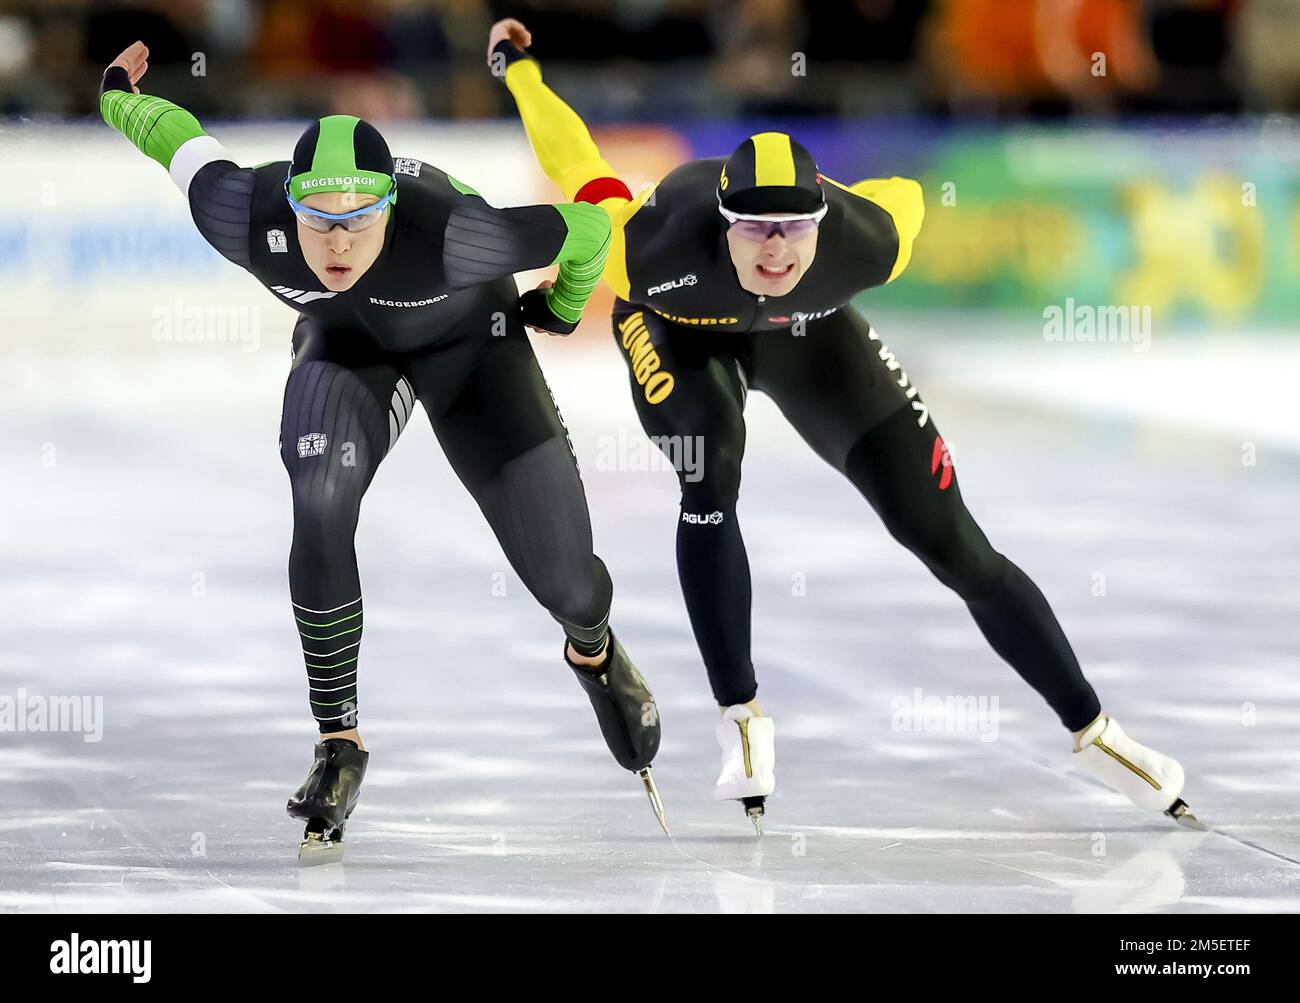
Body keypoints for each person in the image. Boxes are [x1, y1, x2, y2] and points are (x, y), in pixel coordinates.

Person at [484, 19, 1199, 834]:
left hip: (810, 337)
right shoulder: (647, 248)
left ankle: (1095, 730)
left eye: (794, 225)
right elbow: (577, 160)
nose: (777, 247)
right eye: (754, 226)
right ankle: (742, 718)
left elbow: (912, 193)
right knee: (710, 470)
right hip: (676, 332)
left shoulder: (870, 240)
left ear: (825, 219)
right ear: (722, 221)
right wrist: (522, 73)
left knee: (951, 539)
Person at [98, 40, 667, 862]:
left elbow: (585, 228)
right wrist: (115, 90)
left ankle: (595, 646)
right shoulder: (239, 213)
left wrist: (564, 305)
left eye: (358, 221)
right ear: (287, 205)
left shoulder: (457, 235)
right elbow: (173, 137)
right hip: (345, 349)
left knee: (566, 579)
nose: (336, 244)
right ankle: (339, 742)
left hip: (474, 346)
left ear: (389, 209)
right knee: (319, 497)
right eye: (317, 220)